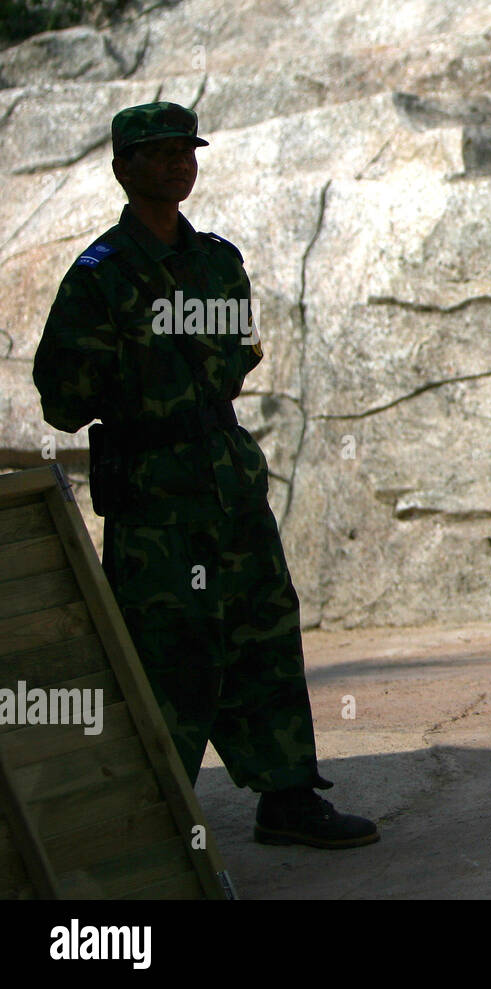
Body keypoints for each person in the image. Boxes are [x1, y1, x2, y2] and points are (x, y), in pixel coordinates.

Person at [32, 101, 377, 848]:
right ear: (123, 169)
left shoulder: (219, 261)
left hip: (227, 478)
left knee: (264, 629)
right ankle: (153, 814)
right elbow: (61, 398)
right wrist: (137, 394)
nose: (175, 164)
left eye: (184, 150)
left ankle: (288, 797)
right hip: (157, 498)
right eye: (157, 154)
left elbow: (239, 358)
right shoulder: (99, 277)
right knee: (167, 651)